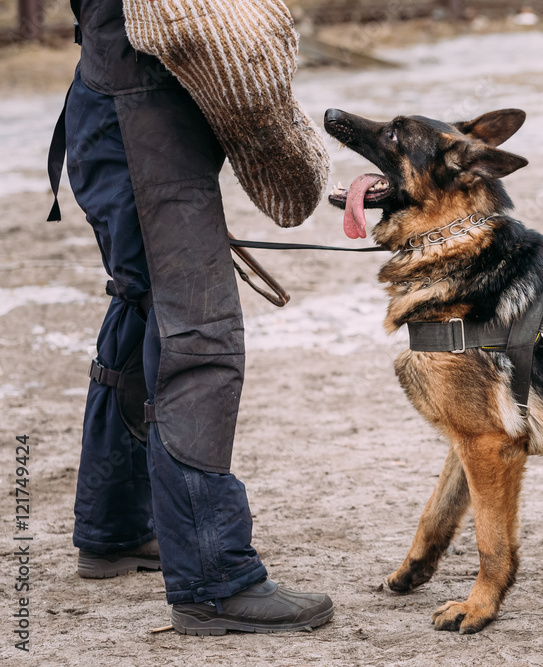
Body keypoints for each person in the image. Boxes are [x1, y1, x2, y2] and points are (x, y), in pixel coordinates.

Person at [48, 0, 333, 635]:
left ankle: (116, 528)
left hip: (117, 106)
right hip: (139, 122)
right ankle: (214, 578)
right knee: (198, 338)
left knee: (144, 300)